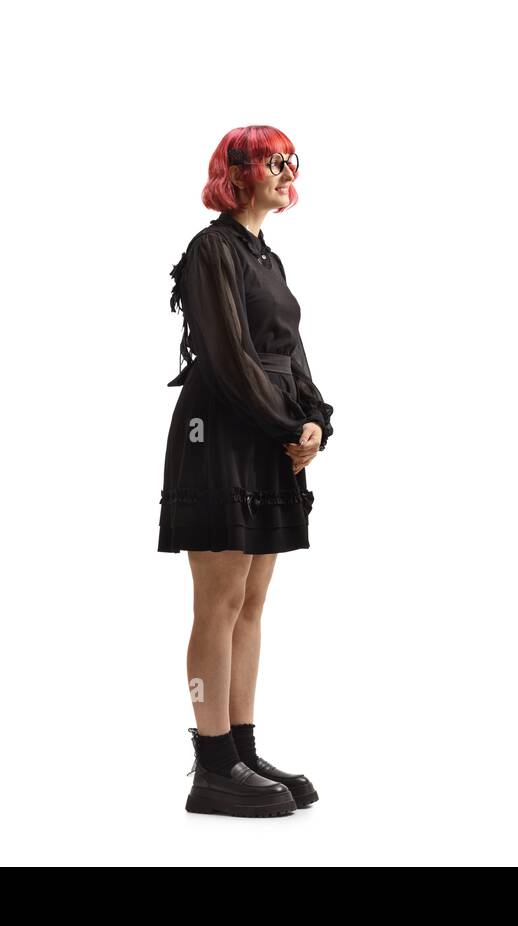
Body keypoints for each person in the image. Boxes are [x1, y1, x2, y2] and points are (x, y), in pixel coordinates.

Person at [159, 126, 334, 817]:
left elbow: (290, 352)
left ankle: (241, 745)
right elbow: (228, 357)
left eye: (293, 160)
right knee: (219, 600)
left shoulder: (267, 257)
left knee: (254, 600)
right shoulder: (212, 250)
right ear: (240, 173)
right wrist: (287, 426)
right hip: (220, 435)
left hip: (267, 436)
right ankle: (211, 767)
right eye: (274, 161)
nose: (288, 170)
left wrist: (316, 421)